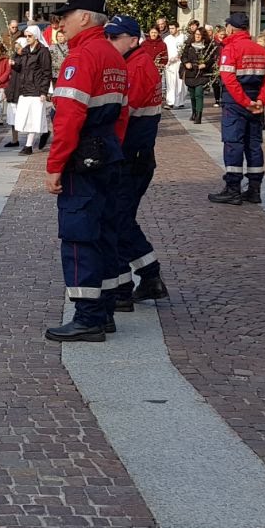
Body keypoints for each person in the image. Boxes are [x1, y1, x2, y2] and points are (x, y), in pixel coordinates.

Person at [43, 0, 130, 343]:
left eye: (65, 16)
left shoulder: (80, 57)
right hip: (108, 153)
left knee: (79, 236)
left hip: (82, 158)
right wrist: (112, 147)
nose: (61, 23)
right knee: (105, 233)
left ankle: (87, 317)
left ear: (84, 17)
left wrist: (55, 165)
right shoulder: (113, 56)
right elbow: (123, 113)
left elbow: (68, 118)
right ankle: (104, 311)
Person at [102, 16, 169, 320]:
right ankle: (137, 281)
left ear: (132, 39)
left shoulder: (137, 67)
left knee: (117, 218)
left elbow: (123, 112)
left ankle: (138, 280)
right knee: (119, 218)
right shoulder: (134, 62)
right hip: (134, 154)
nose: (110, 43)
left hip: (133, 156)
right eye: (108, 37)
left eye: (115, 38)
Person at [210, 11, 265, 205]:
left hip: (236, 103)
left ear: (231, 28)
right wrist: (260, 101)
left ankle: (233, 189)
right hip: (255, 102)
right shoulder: (260, 50)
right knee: (253, 145)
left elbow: (229, 80)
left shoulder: (230, 49)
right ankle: (254, 189)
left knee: (233, 144)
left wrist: (245, 102)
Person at [11, 28, 53, 153]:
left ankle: (28, 146)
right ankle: (44, 132)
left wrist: (43, 91)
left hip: (36, 89)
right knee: (24, 117)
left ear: (36, 36)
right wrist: (14, 65)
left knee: (34, 118)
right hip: (25, 89)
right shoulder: (25, 51)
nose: (27, 38)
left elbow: (46, 72)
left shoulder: (43, 51)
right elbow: (21, 68)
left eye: (30, 36)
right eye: (26, 36)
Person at [180, 25, 213, 124]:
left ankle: (199, 116)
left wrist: (205, 64)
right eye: (196, 34)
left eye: (199, 35)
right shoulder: (189, 45)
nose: (197, 36)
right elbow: (183, 56)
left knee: (199, 93)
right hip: (190, 72)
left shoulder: (208, 47)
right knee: (192, 95)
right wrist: (186, 62)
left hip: (202, 74)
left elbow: (212, 58)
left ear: (203, 36)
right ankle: (194, 112)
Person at [163, 22, 186, 108]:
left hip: (180, 62)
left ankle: (180, 101)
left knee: (180, 82)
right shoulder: (167, 39)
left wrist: (179, 57)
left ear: (177, 28)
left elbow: (185, 49)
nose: (171, 30)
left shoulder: (183, 37)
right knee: (170, 82)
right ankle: (170, 102)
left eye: (172, 28)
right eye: (170, 28)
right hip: (170, 64)